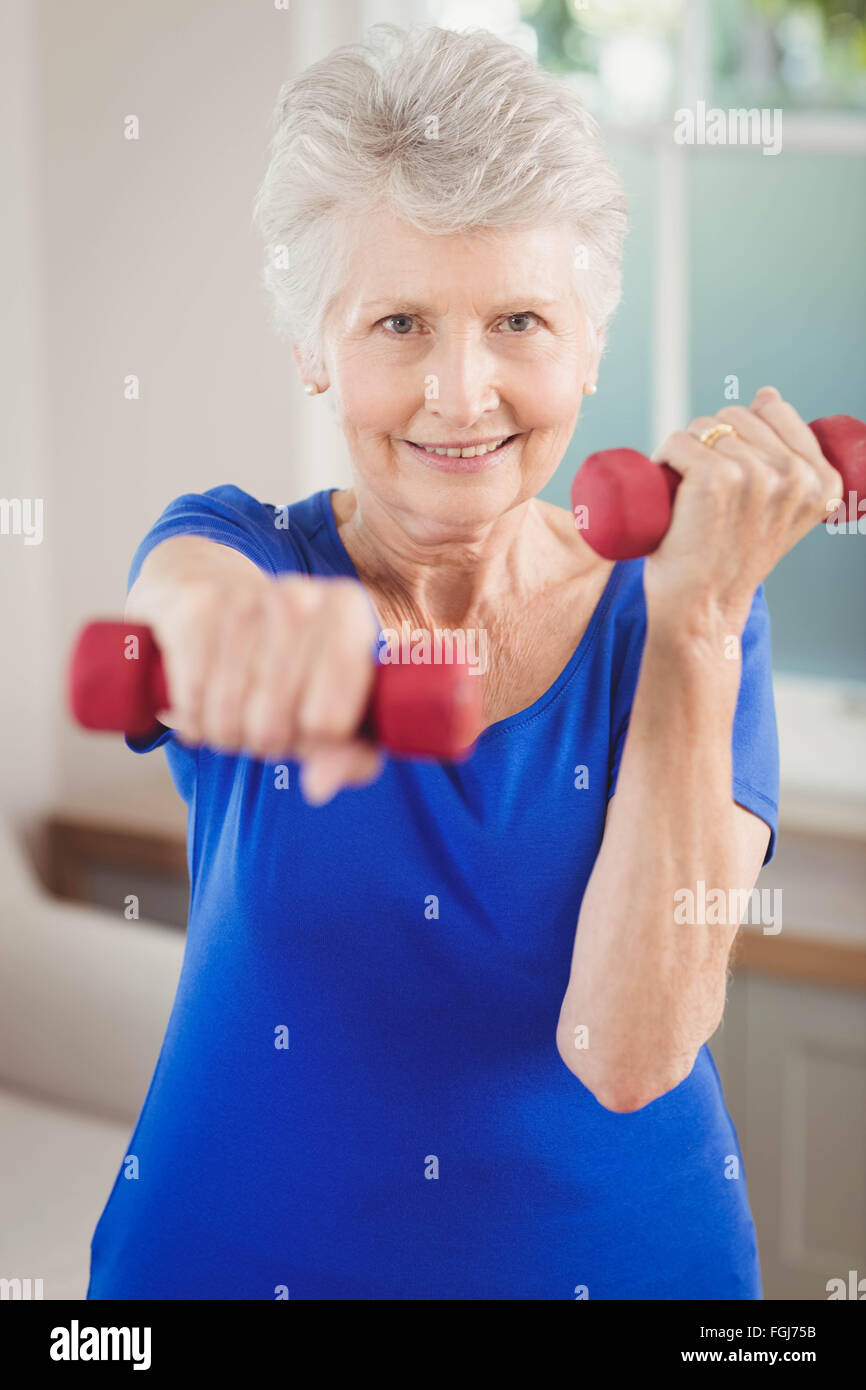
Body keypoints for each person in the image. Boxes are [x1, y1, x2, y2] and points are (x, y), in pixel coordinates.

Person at [87, 24, 841, 1300]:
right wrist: (232, 645)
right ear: (313, 349)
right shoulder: (236, 547)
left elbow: (625, 1048)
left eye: (518, 320)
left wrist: (697, 622)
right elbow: (183, 605)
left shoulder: (695, 614)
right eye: (396, 322)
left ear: (590, 341)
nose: (459, 390)